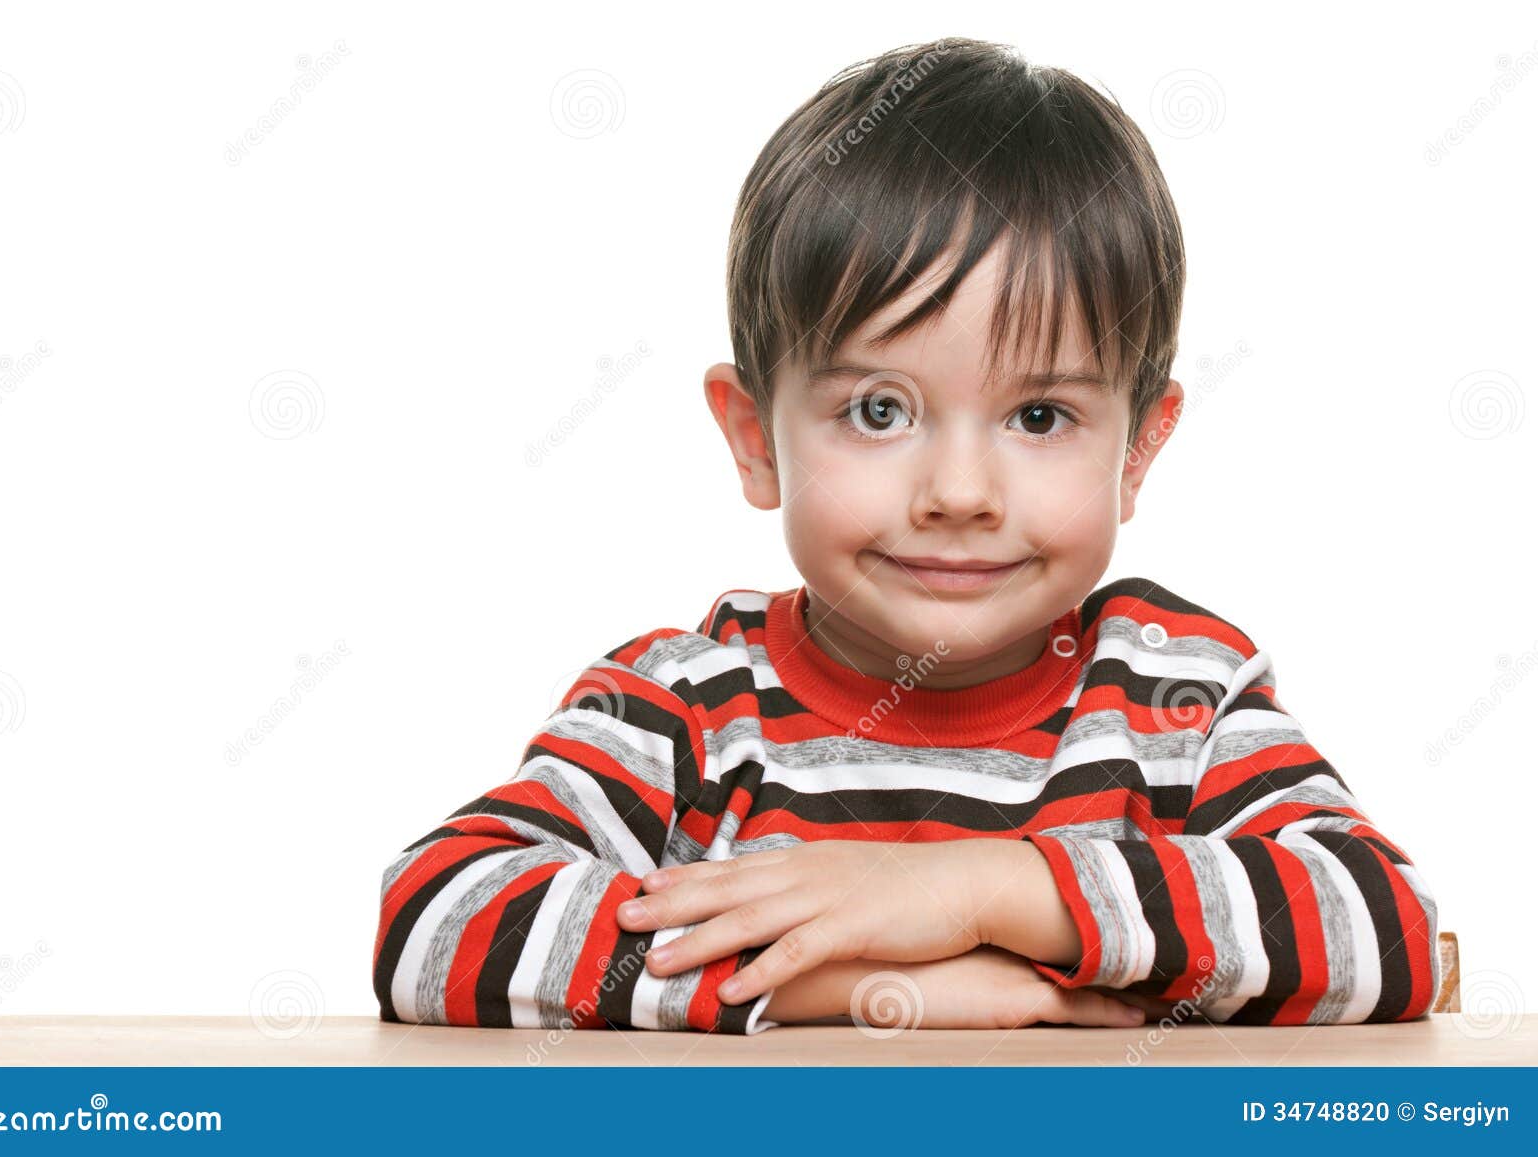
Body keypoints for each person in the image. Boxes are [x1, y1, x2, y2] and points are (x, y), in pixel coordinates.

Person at [372, 37, 1439, 1034]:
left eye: (1039, 416)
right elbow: (437, 918)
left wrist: (979, 888)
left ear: (1136, 450)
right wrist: (877, 985)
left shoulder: (1176, 696)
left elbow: (1387, 930)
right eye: (878, 410)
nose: (959, 491)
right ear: (755, 440)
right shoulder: (682, 706)